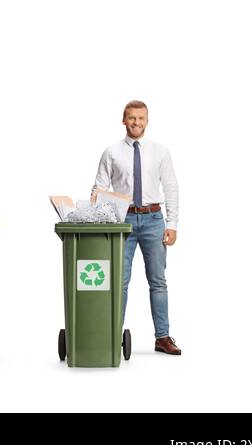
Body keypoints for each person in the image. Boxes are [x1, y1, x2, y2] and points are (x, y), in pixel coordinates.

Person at [92, 100, 181, 355]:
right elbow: (99, 188)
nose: (136, 123)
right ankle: (112, 336)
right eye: (132, 118)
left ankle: (162, 337)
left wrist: (172, 224)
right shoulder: (111, 152)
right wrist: (98, 219)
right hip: (124, 222)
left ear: (147, 121)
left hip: (154, 219)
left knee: (158, 281)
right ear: (124, 120)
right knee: (119, 281)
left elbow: (171, 187)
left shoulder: (160, 152)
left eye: (141, 118)